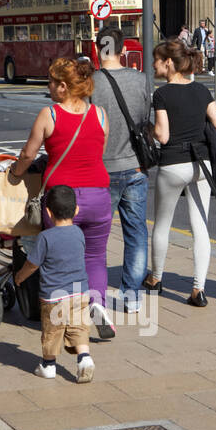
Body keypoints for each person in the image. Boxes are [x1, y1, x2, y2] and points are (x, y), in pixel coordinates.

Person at [9, 57, 115, 338]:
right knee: (95, 257)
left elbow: (28, 154)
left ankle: (63, 317)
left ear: (64, 87)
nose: (49, 86)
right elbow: (96, 154)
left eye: (52, 82)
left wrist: (16, 174)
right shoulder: (101, 114)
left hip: (61, 200)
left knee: (57, 260)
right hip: (99, 197)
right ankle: (99, 305)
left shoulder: (50, 114)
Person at [144, 40, 216, 307]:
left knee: (163, 224)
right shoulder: (202, 90)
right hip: (202, 164)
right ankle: (198, 289)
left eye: (157, 60)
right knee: (200, 226)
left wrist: (149, 130)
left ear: (168, 63)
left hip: (173, 163)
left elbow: (163, 135)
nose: (154, 65)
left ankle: (156, 279)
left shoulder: (162, 94)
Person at [90, 26, 151, 314]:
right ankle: (132, 296)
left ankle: (95, 295)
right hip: (135, 165)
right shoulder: (140, 80)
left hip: (101, 169)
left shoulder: (90, 83)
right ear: (123, 50)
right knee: (136, 233)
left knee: (96, 234)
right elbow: (144, 118)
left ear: (98, 49)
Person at [13, 186, 94, 382]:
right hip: (79, 292)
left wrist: (19, 277)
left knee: (52, 331)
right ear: (76, 211)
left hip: (53, 295)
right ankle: (84, 359)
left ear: (48, 213)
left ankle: (49, 365)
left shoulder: (45, 238)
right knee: (79, 327)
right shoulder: (79, 233)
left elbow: (32, 264)